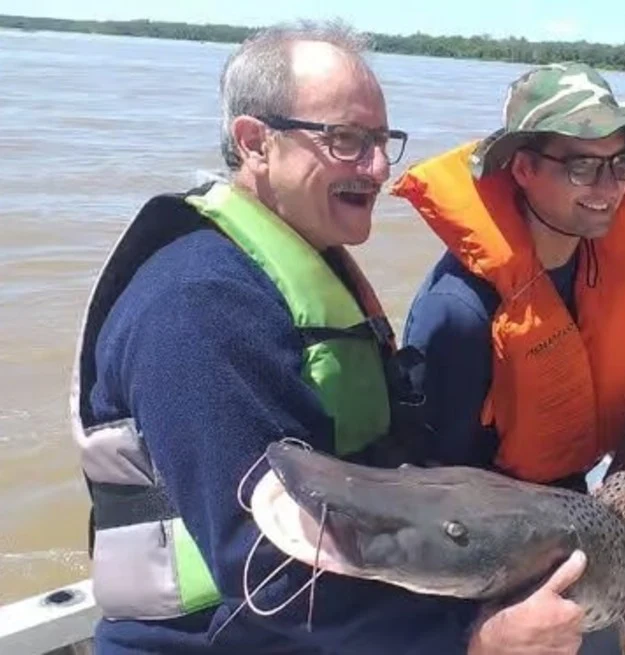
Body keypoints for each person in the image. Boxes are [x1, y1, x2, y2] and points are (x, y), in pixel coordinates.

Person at [71, 21, 586, 654]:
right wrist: (470, 640)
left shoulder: (304, 267)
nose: (375, 167)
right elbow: (266, 562)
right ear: (254, 142)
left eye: (380, 141)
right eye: (344, 139)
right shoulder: (199, 302)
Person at [390, 62, 625, 653]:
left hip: (584, 503)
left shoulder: (609, 255)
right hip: (506, 556)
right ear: (525, 168)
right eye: (582, 165)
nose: (608, 186)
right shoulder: (458, 314)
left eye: (619, 164)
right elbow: (446, 500)